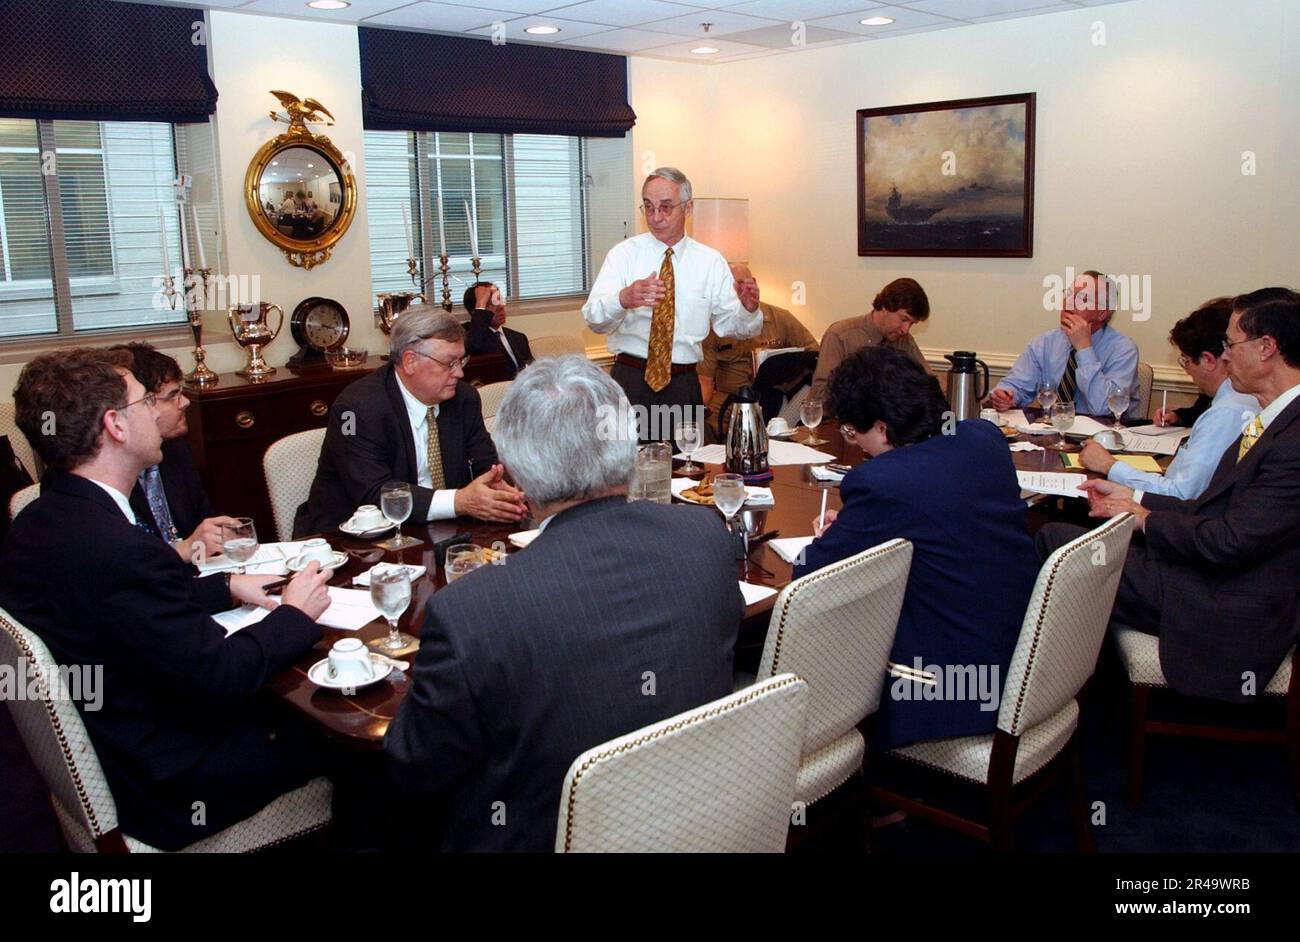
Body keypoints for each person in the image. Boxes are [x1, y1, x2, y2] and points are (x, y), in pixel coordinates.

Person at [384, 355, 742, 852]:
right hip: (699, 816)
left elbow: (415, 765)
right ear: (629, 441)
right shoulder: (705, 536)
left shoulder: (472, 610)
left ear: (514, 473)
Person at [0, 348, 332, 850]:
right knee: (348, 737)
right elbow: (221, 677)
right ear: (114, 425)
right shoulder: (124, 550)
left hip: (113, 740)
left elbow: (122, 612)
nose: (157, 412)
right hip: (171, 779)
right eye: (142, 403)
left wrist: (222, 586)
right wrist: (293, 614)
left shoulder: (38, 520)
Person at [1040, 289, 1300, 702]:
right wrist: (1131, 499)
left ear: (1266, 348)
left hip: (1227, 603)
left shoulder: (1290, 439)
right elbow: (1210, 506)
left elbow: (1232, 541)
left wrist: (1143, 518)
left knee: (1054, 542)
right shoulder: (1275, 419)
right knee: (1071, 535)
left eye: (1231, 345)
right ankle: (1070, 687)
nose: (1226, 357)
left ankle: (1040, 693)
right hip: (1213, 572)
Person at [794, 346, 1038, 749]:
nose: (856, 447)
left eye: (855, 434)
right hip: (1023, 658)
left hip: (947, 688)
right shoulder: (984, 438)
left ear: (883, 428)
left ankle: (868, 786)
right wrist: (861, 528)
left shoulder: (885, 481)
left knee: (824, 646)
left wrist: (828, 541)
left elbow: (810, 577)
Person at [294, 306, 526, 537]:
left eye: (461, 361)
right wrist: (459, 501)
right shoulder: (354, 410)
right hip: (351, 540)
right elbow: (374, 492)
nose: (459, 373)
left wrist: (499, 490)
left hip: (438, 532)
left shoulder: (464, 399)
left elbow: (485, 462)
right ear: (410, 361)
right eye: (449, 363)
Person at [582, 167, 761, 441]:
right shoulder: (623, 255)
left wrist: (748, 310)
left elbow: (731, 327)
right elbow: (593, 318)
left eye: (666, 208)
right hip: (630, 380)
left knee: (687, 469)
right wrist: (623, 299)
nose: (656, 217)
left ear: (688, 208)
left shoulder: (710, 261)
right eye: (649, 207)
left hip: (682, 383)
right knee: (623, 470)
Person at [1079, 298, 1259, 500]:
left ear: (1208, 360)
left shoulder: (1227, 412)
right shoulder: (1240, 399)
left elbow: (1180, 493)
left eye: (1185, 361)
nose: (1187, 371)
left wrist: (1109, 465)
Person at [106, 342, 238, 561]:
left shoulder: (175, 450)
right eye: (172, 395)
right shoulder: (106, 472)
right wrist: (185, 550)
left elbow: (201, 524)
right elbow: (121, 565)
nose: (185, 402)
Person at [990, 270, 1139, 417]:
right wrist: (1006, 396)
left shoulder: (1124, 349)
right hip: (1050, 432)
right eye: (1068, 294)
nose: (1068, 302)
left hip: (1102, 437)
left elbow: (1105, 408)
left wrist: (1084, 350)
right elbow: (1016, 386)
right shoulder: (1045, 342)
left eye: (1082, 298)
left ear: (1101, 313)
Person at [698, 263, 819, 440]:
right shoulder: (713, 324)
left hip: (777, 401)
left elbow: (814, 355)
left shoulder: (780, 318)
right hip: (729, 404)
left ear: (753, 283)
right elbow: (705, 382)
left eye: (741, 284)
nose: (736, 291)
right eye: (728, 286)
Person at [808, 277, 933, 403]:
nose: (905, 330)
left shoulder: (905, 341)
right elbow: (819, 394)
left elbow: (928, 384)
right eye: (904, 319)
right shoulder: (840, 336)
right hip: (843, 419)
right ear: (886, 306)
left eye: (912, 324)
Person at [464, 282, 533, 379]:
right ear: (475, 312)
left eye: (500, 300)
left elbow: (533, 371)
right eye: (491, 304)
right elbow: (474, 346)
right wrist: (480, 305)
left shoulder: (518, 337)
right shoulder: (470, 335)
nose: (500, 307)